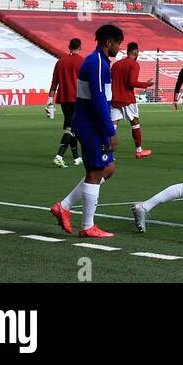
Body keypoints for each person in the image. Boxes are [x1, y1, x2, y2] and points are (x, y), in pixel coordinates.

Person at [50, 24, 123, 239]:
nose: (119, 47)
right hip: (92, 125)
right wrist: (110, 130)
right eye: (118, 43)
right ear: (108, 42)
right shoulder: (97, 63)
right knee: (94, 173)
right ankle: (88, 226)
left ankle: (64, 206)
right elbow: (99, 99)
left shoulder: (95, 61)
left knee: (107, 169)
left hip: (88, 122)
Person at [110, 42, 152, 159]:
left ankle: (109, 153)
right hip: (127, 99)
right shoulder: (134, 64)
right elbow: (131, 83)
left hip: (114, 99)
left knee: (113, 125)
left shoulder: (116, 64)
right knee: (135, 123)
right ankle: (139, 151)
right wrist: (146, 84)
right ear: (135, 52)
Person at [48, 38, 84, 167]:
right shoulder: (82, 61)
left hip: (64, 99)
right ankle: (59, 156)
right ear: (80, 47)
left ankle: (76, 157)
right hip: (78, 99)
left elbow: (54, 83)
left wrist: (50, 101)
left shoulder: (60, 62)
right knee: (71, 128)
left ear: (69, 47)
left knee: (71, 126)